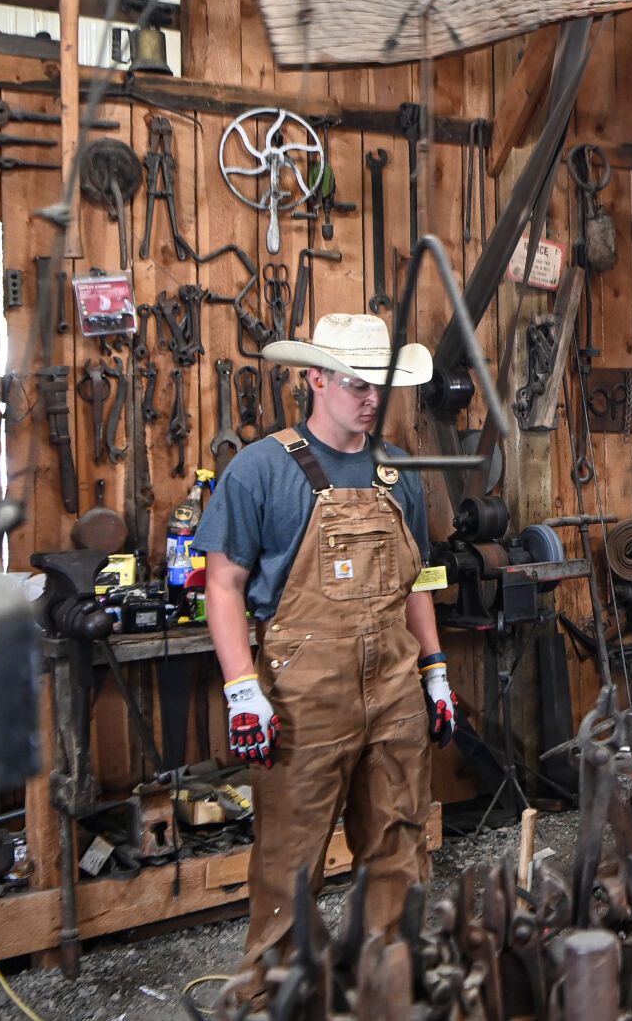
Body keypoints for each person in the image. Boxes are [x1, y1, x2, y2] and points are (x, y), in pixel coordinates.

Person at [196, 313, 457, 1001]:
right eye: (355, 383)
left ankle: (387, 979)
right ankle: (280, 993)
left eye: (381, 386)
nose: (370, 399)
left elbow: (418, 580)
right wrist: (242, 689)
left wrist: (435, 670)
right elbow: (221, 586)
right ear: (314, 378)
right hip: (302, 692)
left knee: (399, 839)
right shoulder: (258, 469)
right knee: (291, 857)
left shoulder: (399, 472)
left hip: (396, 688)